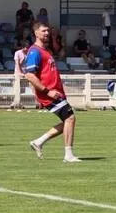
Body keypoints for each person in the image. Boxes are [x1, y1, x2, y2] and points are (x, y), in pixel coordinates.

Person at [24, 22, 80, 163]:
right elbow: (30, 75)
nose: (47, 33)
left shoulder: (45, 51)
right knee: (70, 118)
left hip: (56, 92)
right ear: (36, 33)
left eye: (48, 31)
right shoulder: (34, 51)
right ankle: (68, 155)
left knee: (69, 121)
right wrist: (47, 92)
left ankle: (39, 142)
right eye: (43, 31)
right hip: (49, 94)